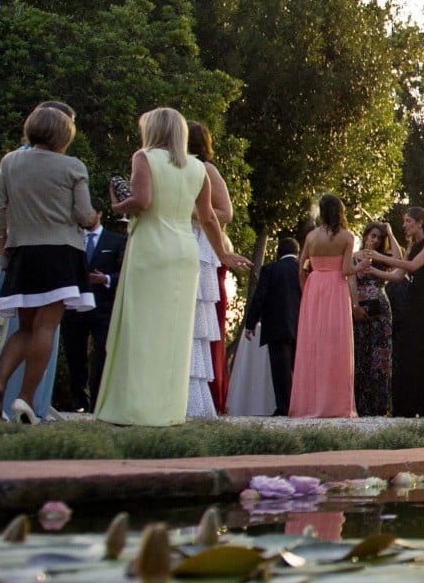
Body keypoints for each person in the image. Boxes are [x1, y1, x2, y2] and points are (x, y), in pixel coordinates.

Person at [97, 108, 245, 426]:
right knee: (175, 333)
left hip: (151, 247)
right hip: (184, 251)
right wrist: (222, 253)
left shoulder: (145, 157)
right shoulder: (196, 167)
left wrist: (117, 204)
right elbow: (208, 217)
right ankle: (168, 410)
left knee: (140, 329)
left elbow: (143, 201)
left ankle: (134, 407)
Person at [0, 105, 99, 422]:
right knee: (46, 327)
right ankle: (25, 398)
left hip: (23, 252)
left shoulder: (10, 162)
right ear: (65, 135)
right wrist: (93, 220)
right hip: (61, 253)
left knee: (23, 328)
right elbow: (83, 215)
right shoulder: (73, 167)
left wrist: (2, 240)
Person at [287, 194, 357, 418]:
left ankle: (306, 403)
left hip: (314, 287)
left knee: (311, 345)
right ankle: (335, 405)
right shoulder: (347, 236)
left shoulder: (311, 236)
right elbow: (346, 270)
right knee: (336, 345)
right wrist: (363, 265)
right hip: (336, 287)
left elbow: (301, 268)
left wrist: (306, 289)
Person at [375, 206, 424, 417]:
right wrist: (374, 270)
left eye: (408, 221)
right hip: (414, 299)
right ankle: (408, 405)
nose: (405, 225)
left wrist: (381, 259)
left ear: (420, 222)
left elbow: (413, 266)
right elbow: (399, 275)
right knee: (410, 350)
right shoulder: (412, 245)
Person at [185, 123, 234, 417]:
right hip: (175, 240)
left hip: (203, 245)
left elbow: (226, 213)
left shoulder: (207, 169)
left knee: (204, 323)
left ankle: (208, 395)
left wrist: (188, 209)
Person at [57, 214, 126, 414]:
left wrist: (105, 279)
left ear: (99, 214)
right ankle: (79, 402)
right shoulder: (70, 240)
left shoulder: (117, 241)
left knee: (102, 356)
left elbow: (124, 272)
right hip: (74, 308)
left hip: (103, 308)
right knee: (75, 356)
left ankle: (98, 403)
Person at [348, 221, 404, 416]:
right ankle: (359, 405)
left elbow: (399, 258)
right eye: (372, 236)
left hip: (381, 311)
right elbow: (350, 280)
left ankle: (379, 406)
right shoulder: (353, 257)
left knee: (380, 358)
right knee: (360, 356)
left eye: (379, 238)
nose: (375, 240)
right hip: (360, 309)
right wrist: (355, 305)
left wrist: (390, 232)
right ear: (364, 236)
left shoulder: (381, 259)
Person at [241, 237, 302, 415]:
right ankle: (303, 406)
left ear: (278, 253)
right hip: (301, 325)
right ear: (297, 252)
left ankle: (284, 407)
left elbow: (260, 297)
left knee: (280, 370)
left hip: (277, 326)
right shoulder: (304, 270)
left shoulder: (270, 270)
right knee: (300, 368)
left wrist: (250, 324)